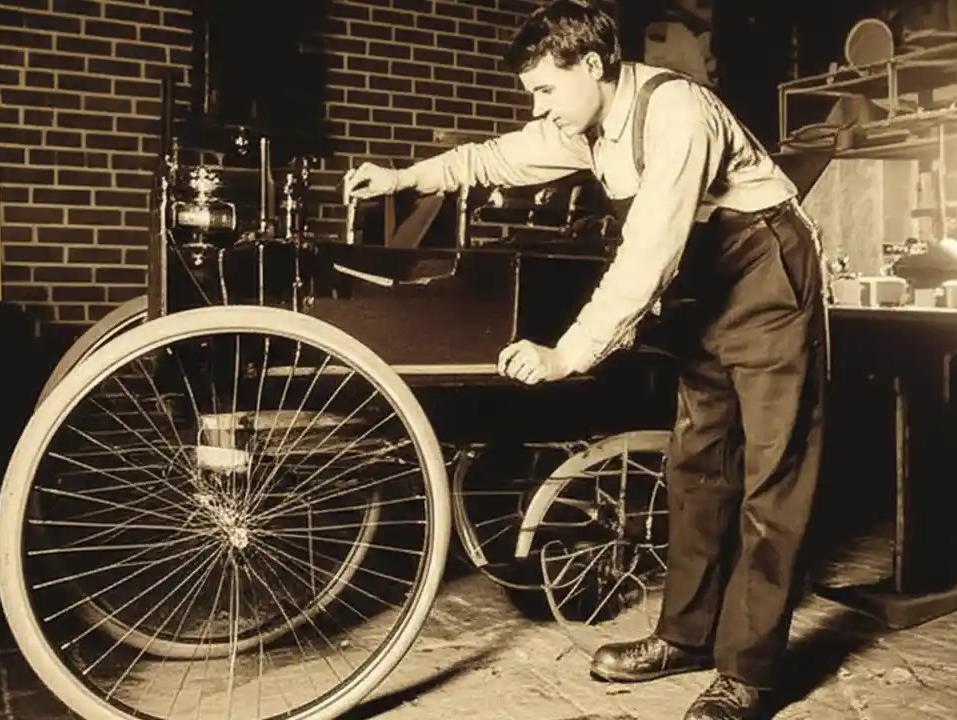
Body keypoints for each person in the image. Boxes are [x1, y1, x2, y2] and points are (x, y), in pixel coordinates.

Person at [343, 2, 827, 718]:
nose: (538, 107)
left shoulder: (677, 112)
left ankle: (749, 671)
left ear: (594, 66)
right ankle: (685, 637)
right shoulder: (590, 125)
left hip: (766, 273)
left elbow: (651, 251)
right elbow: (496, 156)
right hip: (707, 284)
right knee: (695, 466)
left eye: (545, 90)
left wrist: (570, 351)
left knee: (771, 474)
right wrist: (404, 178)